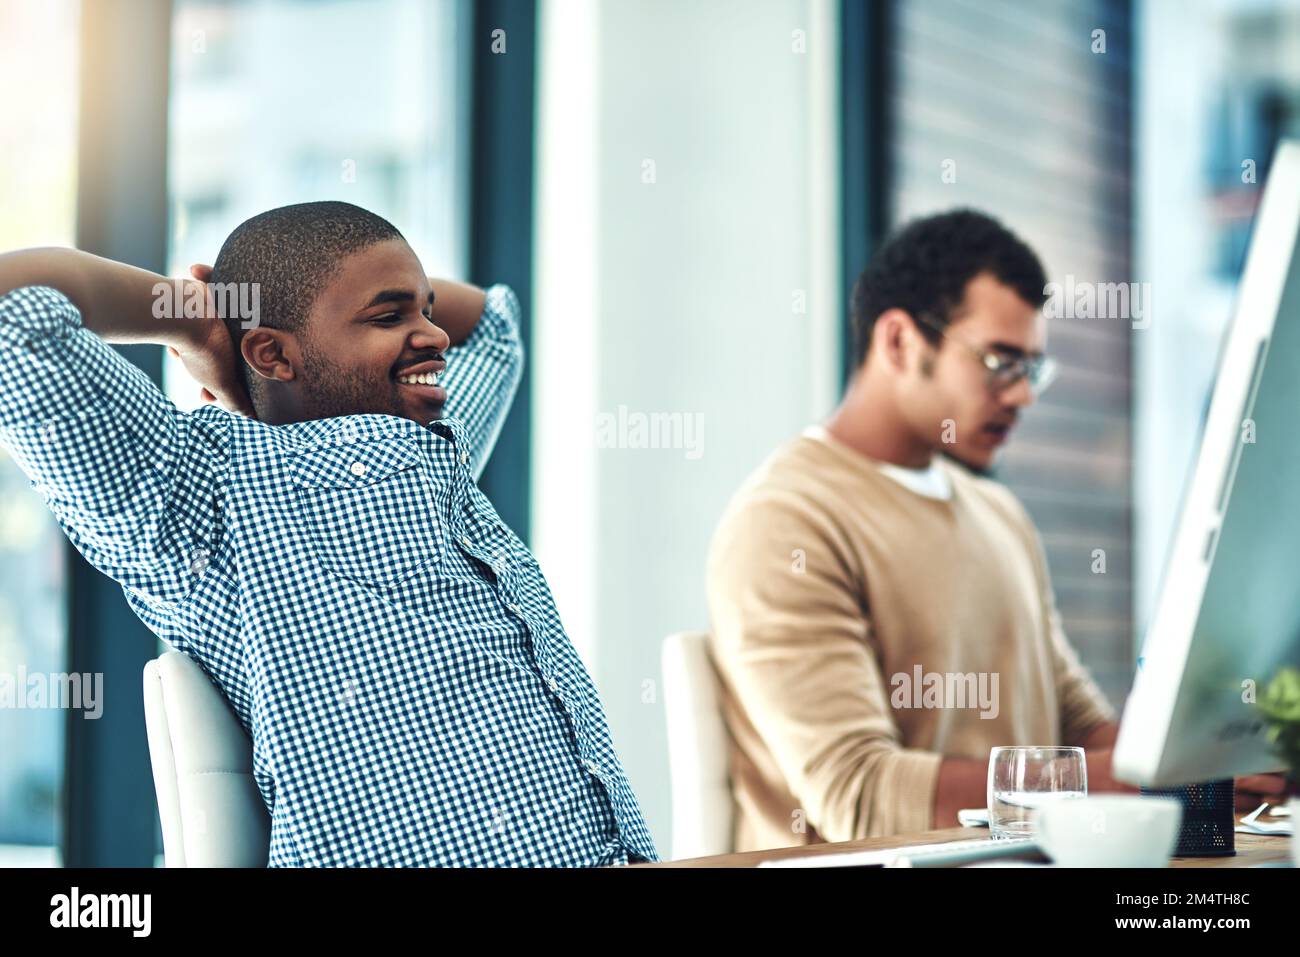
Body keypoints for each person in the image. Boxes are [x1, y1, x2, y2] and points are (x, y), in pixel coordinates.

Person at [0, 201, 657, 866]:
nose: (433, 334)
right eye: (389, 314)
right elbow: (14, 308)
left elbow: (492, 324)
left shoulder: (435, 445)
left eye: (426, 310)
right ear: (272, 351)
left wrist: (258, 371)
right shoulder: (200, 494)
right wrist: (199, 316)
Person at [705, 208, 1289, 852]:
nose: (1022, 396)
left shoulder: (998, 513)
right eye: (1000, 362)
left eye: (1032, 370)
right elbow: (861, 798)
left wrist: (1210, 758)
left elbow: (1086, 730)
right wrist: (1137, 785)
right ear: (899, 341)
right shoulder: (786, 519)